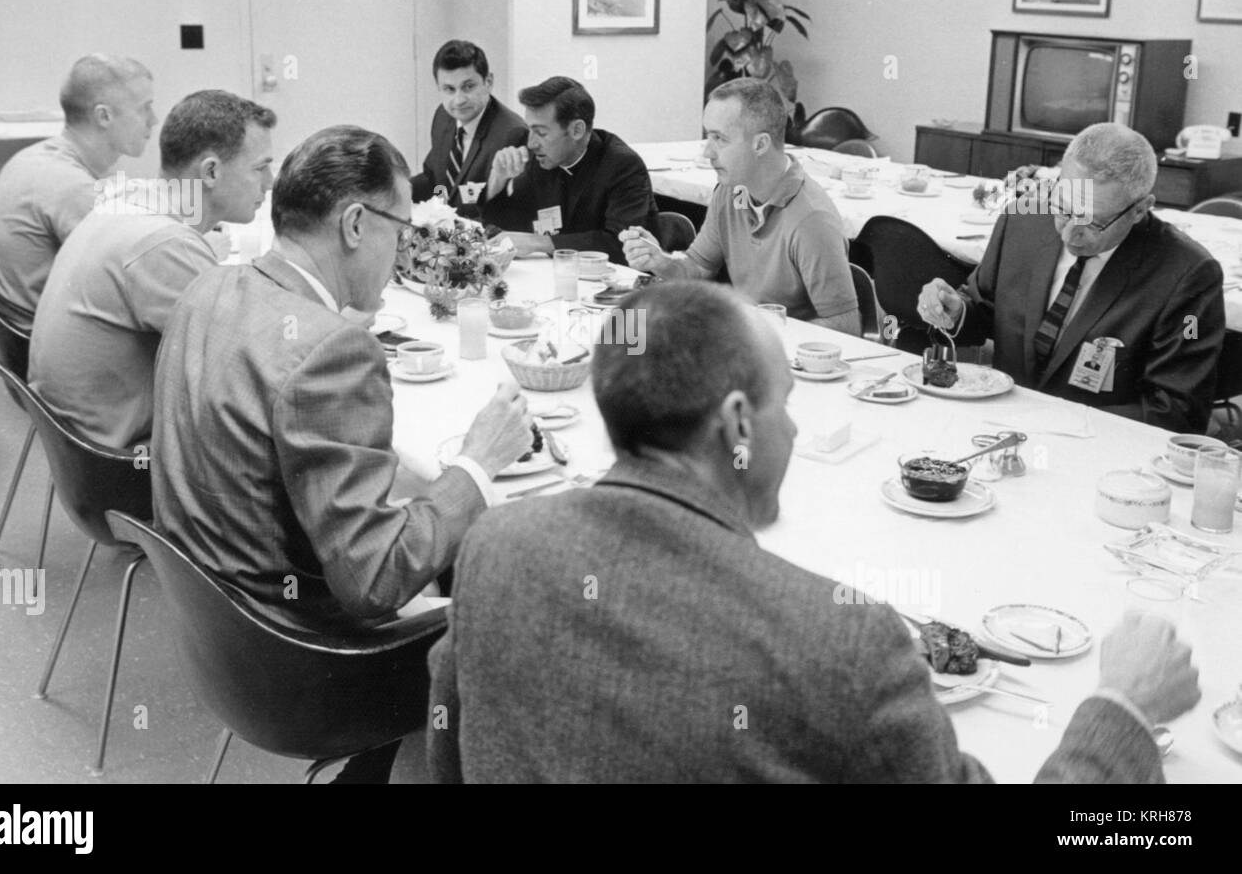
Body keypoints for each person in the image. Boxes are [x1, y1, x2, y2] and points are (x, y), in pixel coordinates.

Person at [426, 281, 1200, 782]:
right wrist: (1123, 709)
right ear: (735, 423)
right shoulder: (843, 645)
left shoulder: (496, 546)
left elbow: (449, 744)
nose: (793, 429)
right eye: (783, 404)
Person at [151, 124, 532, 637]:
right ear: (355, 225)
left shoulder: (209, 285)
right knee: (527, 580)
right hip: (305, 649)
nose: (400, 254)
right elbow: (374, 580)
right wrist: (478, 464)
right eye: (399, 232)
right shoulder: (333, 351)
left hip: (214, 619)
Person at [917, 123, 1224, 433]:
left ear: (1140, 209)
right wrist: (957, 311)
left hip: (1102, 454)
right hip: (1001, 429)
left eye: (1092, 223)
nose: (1068, 234)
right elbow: (985, 308)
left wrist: (1055, 422)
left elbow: (1176, 412)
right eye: (1062, 209)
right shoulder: (1023, 220)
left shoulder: (1186, 274)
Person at [28, 90, 276, 450]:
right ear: (210, 171)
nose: (269, 182)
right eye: (260, 167)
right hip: (121, 462)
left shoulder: (129, 202)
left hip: (75, 443)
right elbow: (250, 370)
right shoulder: (165, 243)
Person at [621, 78, 860, 334]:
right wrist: (662, 263)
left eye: (719, 139)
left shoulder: (811, 220)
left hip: (786, 358)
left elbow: (847, 326)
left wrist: (761, 337)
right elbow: (698, 268)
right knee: (627, 343)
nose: (707, 153)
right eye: (707, 136)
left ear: (760, 145)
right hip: (745, 344)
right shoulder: (731, 190)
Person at [0, 54, 158, 332]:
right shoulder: (70, 187)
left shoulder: (32, 158)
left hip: (19, 333)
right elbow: (139, 281)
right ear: (104, 116)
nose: (154, 120)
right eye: (144, 109)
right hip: (55, 347)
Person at [478, 76, 658, 265]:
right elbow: (508, 231)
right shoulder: (541, 159)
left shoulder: (623, 166)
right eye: (530, 130)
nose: (531, 143)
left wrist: (542, 242)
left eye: (541, 133)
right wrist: (497, 180)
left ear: (577, 130)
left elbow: (621, 245)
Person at [409, 40, 527, 213]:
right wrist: (396, 190)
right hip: (446, 230)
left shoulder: (513, 133)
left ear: (488, 82)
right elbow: (434, 180)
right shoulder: (443, 116)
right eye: (449, 89)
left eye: (468, 86)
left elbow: (508, 211)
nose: (459, 100)